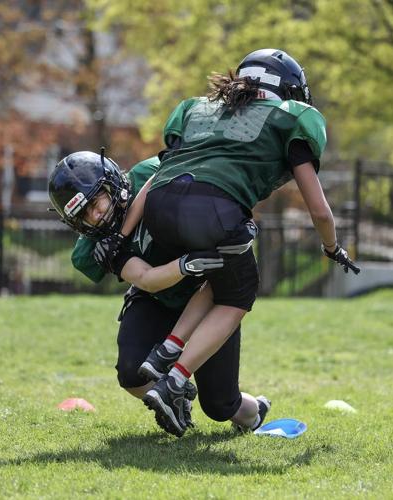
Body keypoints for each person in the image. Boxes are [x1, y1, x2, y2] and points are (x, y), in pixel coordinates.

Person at [114, 48, 360, 435]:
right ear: (285, 89)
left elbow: (157, 175)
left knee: (222, 274)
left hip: (160, 206)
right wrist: (332, 247)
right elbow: (320, 211)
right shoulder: (291, 117)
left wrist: (123, 234)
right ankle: (176, 377)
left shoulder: (197, 108)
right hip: (214, 211)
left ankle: (167, 351)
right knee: (239, 293)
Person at [48, 151, 271, 437]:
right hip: (156, 297)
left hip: (207, 296)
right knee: (131, 372)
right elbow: (147, 280)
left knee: (220, 406)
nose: (95, 214)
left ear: (112, 184)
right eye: (84, 213)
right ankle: (175, 399)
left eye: (95, 201)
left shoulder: (150, 174)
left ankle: (256, 411)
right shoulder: (91, 249)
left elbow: (189, 163)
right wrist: (184, 265)